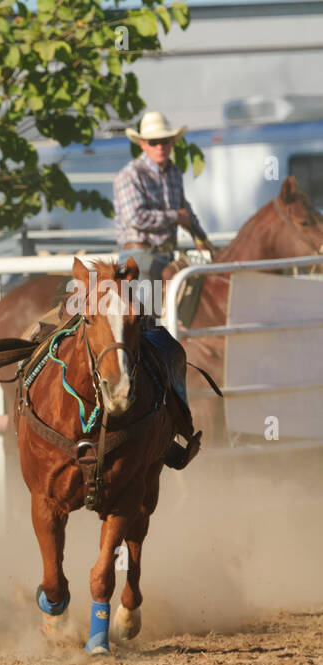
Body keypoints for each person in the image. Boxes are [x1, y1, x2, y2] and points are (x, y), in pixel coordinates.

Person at [113, 110, 212, 466]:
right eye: (154, 141)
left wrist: (202, 240)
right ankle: (156, 412)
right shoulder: (129, 175)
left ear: (172, 142)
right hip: (139, 255)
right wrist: (178, 219)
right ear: (142, 144)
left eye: (165, 140)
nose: (160, 146)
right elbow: (137, 217)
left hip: (167, 254)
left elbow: (186, 212)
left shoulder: (172, 173)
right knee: (150, 330)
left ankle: (170, 414)